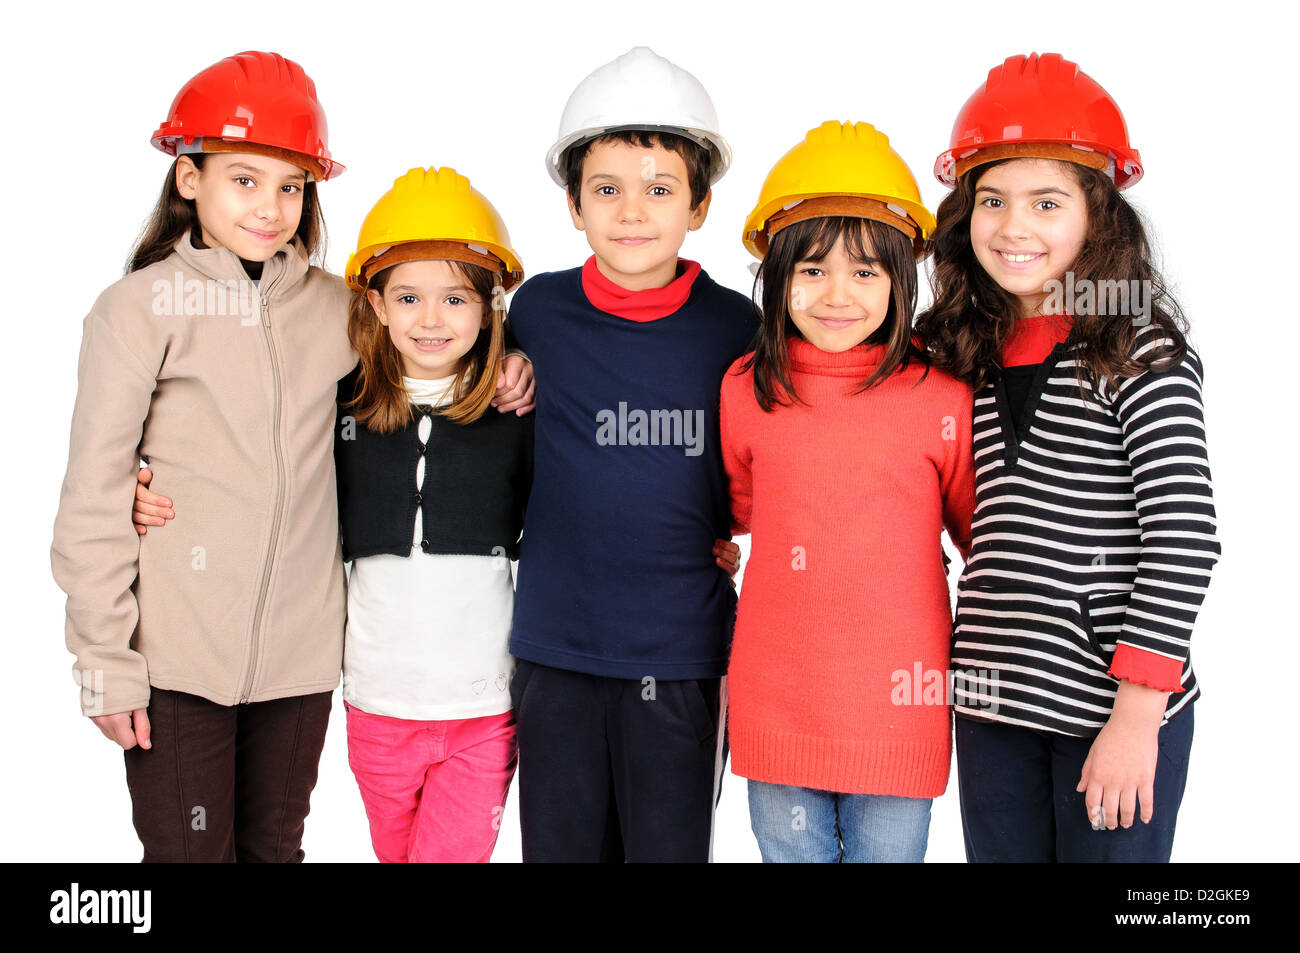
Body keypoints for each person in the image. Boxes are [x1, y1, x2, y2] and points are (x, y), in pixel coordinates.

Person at [916, 53, 1221, 862]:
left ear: (1100, 214)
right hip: (993, 704)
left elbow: (1184, 535)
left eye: (1046, 202)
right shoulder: (956, 348)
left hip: (1110, 709)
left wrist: (1135, 715)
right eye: (992, 200)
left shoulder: (1137, 348)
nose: (1015, 227)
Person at [505, 46, 755, 862]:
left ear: (701, 205)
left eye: (659, 190)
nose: (632, 212)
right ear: (575, 205)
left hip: (681, 649)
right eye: (606, 189)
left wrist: (744, 534)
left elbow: (770, 452)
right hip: (554, 644)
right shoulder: (536, 310)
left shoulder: (736, 329)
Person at [721, 121, 975, 862]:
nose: (838, 294)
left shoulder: (941, 394)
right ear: (776, 275)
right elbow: (733, 510)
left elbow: (975, 531)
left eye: (867, 272)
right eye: (812, 270)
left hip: (900, 715)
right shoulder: (746, 387)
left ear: (904, 278)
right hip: (778, 707)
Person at [333, 166, 532, 862]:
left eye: (455, 298)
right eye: (409, 296)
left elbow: (564, 520)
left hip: (482, 710)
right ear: (377, 304)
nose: (430, 318)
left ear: (488, 309)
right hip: (376, 706)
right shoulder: (342, 409)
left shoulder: (515, 411)